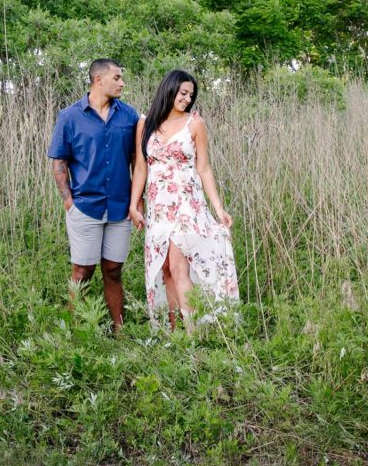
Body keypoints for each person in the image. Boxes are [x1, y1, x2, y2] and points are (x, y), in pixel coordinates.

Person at [128, 68, 239, 330]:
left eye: (191, 95)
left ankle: (192, 334)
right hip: (158, 208)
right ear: (170, 89)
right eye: (183, 92)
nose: (188, 99)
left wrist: (219, 208)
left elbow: (204, 169)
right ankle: (175, 329)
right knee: (164, 268)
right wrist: (134, 205)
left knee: (179, 267)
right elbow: (141, 169)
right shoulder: (145, 124)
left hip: (186, 206)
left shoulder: (195, 124)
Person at [47, 59, 141, 333]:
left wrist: (137, 201)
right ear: (98, 80)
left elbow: (137, 160)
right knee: (82, 272)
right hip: (85, 207)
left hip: (119, 208)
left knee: (113, 270)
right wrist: (68, 202)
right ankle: (77, 330)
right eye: (117, 77)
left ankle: (119, 331)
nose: (122, 83)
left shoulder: (129, 115)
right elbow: (59, 162)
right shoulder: (70, 116)